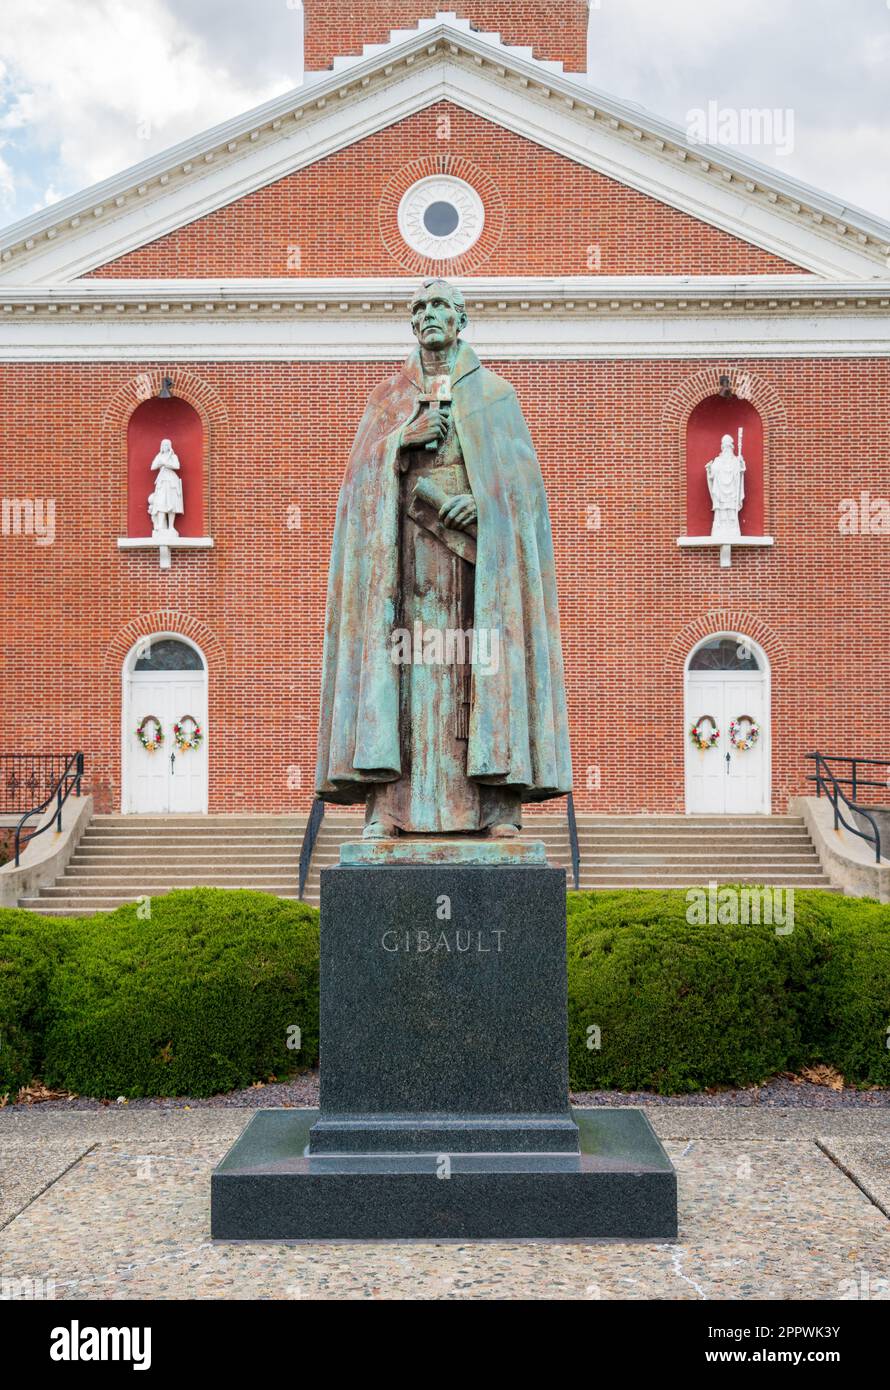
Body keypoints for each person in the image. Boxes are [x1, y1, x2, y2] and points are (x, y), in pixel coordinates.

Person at [315, 278, 572, 838]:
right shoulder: (387, 401)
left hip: (478, 576)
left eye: (440, 306)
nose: (430, 315)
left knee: (482, 677)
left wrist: (481, 503)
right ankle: (389, 807)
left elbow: (525, 497)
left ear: (460, 321)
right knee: (398, 678)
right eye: (420, 308)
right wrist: (401, 442)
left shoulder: (496, 396)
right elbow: (357, 490)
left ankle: (497, 807)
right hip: (403, 572)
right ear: (413, 325)